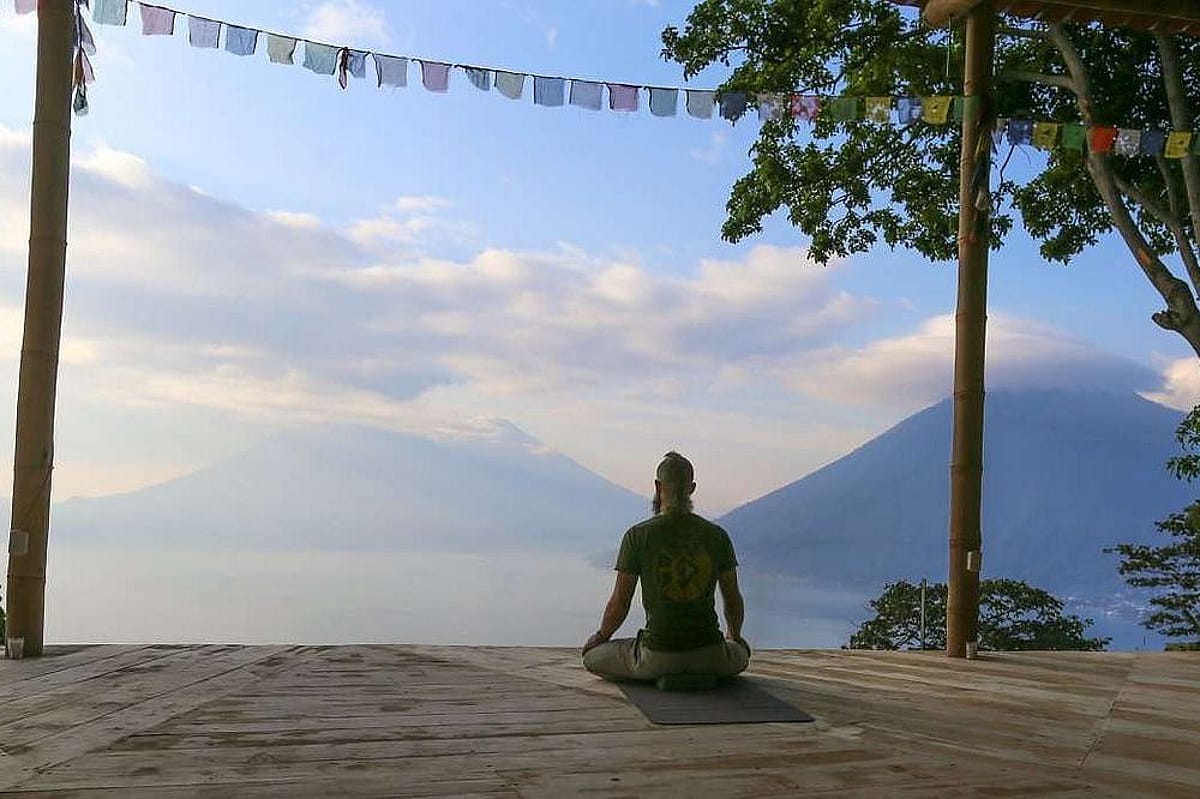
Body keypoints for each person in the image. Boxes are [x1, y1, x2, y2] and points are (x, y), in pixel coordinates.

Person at [581, 451, 750, 681]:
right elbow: (732, 598)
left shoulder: (638, 536)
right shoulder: (717, 536)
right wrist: (735, 637)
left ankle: (656, 673)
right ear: (692, 488)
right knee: (741, 653)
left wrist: (601, 636)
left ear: (658, 486)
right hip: (710, 656)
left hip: (656, 657)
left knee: (592, 657)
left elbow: (620, 602)